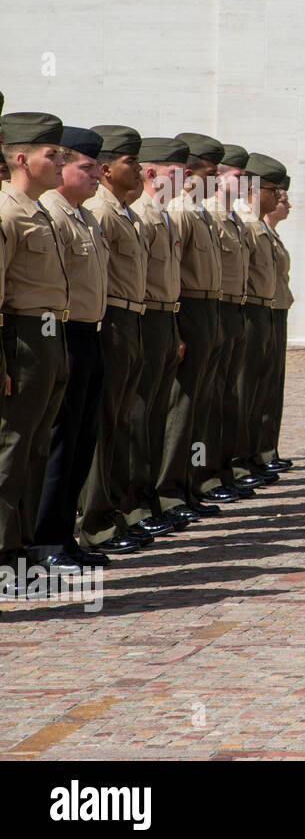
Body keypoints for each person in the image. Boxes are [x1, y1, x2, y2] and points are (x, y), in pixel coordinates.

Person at [30, 127, 111, 572]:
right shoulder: (53, 215)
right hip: (62, 334)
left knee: (83, 440)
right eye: (86, 167)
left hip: (89, 334)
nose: (96, 174)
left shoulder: (84, 216)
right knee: (60, 441)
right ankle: (44, 541)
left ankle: (64, 536)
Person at [0, 112, 72, 583]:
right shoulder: (7, 212)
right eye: (54, 154)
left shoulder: (37, 208)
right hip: (22, 337)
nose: (62, 160)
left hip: (48, 334)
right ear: (23, 158)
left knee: (36, 446)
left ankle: (22, 549)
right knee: (11, 448)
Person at [79, 124, 149, 555]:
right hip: (112, 320)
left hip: (132, 318)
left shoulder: (122, 211)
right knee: (104, 423)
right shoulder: (102, 212)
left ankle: (113, 510)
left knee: (122, 420)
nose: (140, 170)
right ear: (106, 169)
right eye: (131, 162)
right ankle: (95, 519)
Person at [154, 132, 227, 524]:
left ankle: (186, 485)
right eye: (208, 173)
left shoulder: (198, 211)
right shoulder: (180, 210)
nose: (214, 181)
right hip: (188, 308)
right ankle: (167, 492)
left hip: (208, 307)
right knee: (180, 407)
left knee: (197, 405)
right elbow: (174, 276)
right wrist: (180, 328)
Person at [124, 136, 191, 541]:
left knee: (153, 417)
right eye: (176, 173)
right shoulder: (140, 215)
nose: (185, 180)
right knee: (136, 417)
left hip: (166, 319)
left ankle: (146, 500)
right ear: (152, 173)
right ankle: (129, 505)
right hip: (142, 319)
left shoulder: (163, 216)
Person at [197, 143, 258, 503]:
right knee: (203, 404)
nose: (245, 182)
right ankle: (200, 478)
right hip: (210, 310)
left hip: (233, 310)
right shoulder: (204, 213)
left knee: (224, 398)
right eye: (239, 175)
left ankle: (220, 472)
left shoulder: (229, 216)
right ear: (219, 176)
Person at [230, 153, 285, 487]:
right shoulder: (246, 223)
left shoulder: (257, 224)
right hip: (247, 312)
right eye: (273, 190)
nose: (279, 198)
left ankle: (254, 457)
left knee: (257, 390)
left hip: (265, 310)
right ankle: (238, 463)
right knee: (240, 393)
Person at [260, 179, 294, 472]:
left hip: (277, 308)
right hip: (265, 310)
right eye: (282, 199)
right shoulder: (255, 230)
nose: (288, 204)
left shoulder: (270, 234)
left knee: (272, 385)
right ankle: (257, 453)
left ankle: (268, 450)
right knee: (258, 387)